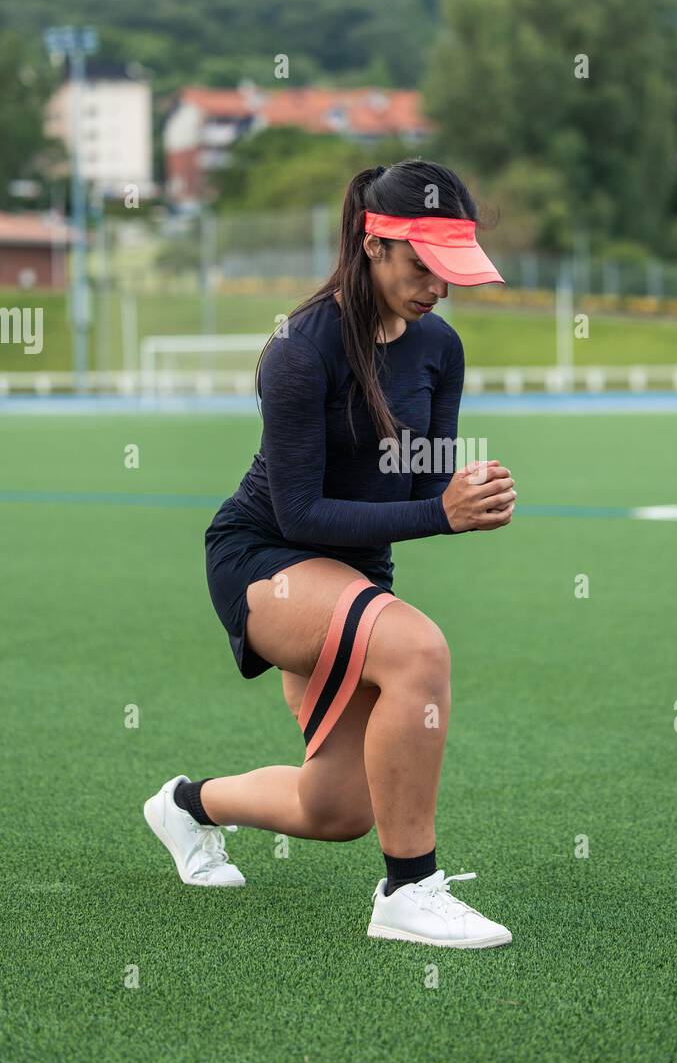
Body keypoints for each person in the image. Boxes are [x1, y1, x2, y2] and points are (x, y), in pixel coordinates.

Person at [144, 158, 517, 948]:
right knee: (419, 649)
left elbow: (423, 471)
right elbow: (299, 510)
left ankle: (185, 805)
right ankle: (409, 891)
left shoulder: (440, 348)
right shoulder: (297, 351)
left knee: (337, 809)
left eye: (451, 273)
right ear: (372, 243)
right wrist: (444, 519)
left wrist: (464, 493)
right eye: (423, 266)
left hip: (352, 571)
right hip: (265, 561)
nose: (438, 288)